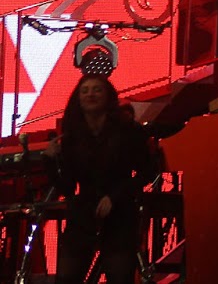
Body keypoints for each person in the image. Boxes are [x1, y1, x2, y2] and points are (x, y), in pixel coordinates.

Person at [46, 75, 155, 284]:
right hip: (84, 214)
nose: (90, 95)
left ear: (108, 96)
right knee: (67, 277)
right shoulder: (72, 136)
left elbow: (148, 171)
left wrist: (115, 197)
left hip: (120, 213)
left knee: (119, 277)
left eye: (97, 90)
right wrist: (50, 161)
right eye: (85, 90)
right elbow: (67, 187)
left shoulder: (128, 130)